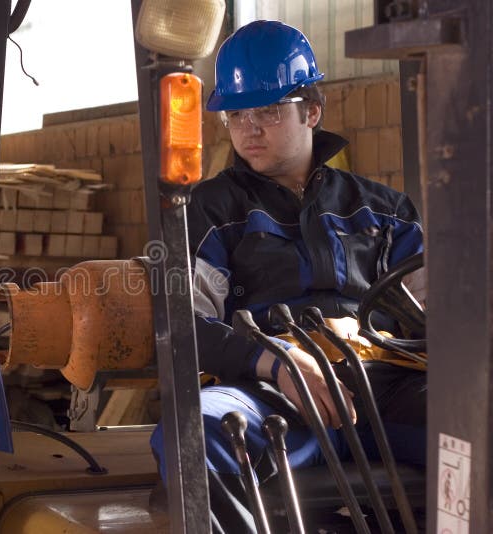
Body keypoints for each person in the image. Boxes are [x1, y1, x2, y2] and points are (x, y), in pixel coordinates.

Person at [150, 21, 426, 532]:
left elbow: (436, 317)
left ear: (312, 111)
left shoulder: (387, 211)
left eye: (269, 110)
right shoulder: (208, 211)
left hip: (383, 387)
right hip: (271, 393)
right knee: (193, 431)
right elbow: (181, 322)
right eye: (236, 114)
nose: (249, 128)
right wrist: (273, 359)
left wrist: (374, 335)